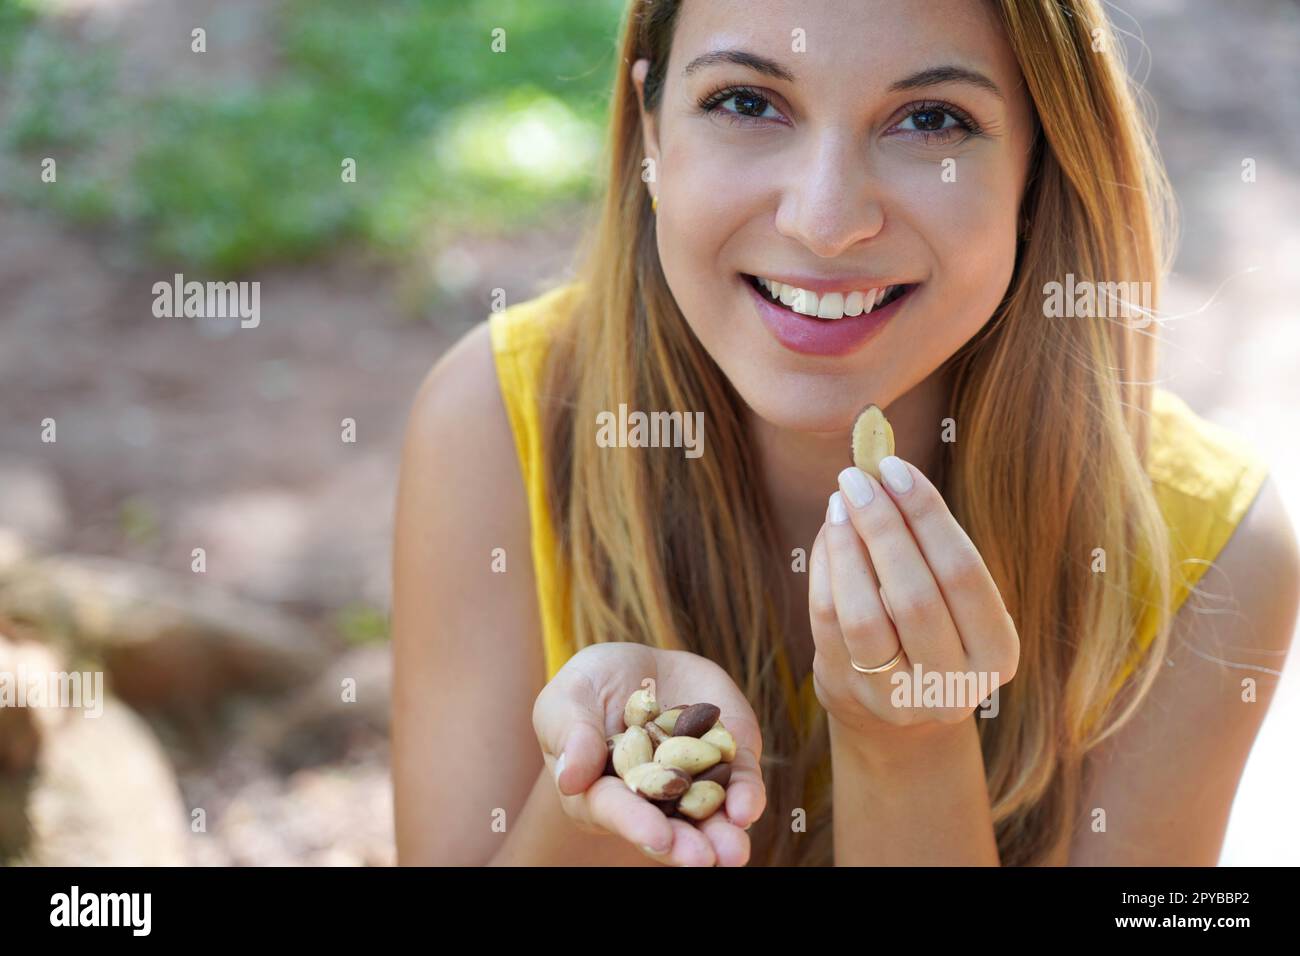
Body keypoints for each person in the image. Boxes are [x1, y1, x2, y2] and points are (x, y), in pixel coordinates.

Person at [392, 0, 1299, 866]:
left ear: (1039, 165)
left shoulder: (1210, 548)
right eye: (746, 102)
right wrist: (619, 788)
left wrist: (906, 751)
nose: (825, 223)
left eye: (932, 120)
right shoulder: (496, 421)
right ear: (654, 134)